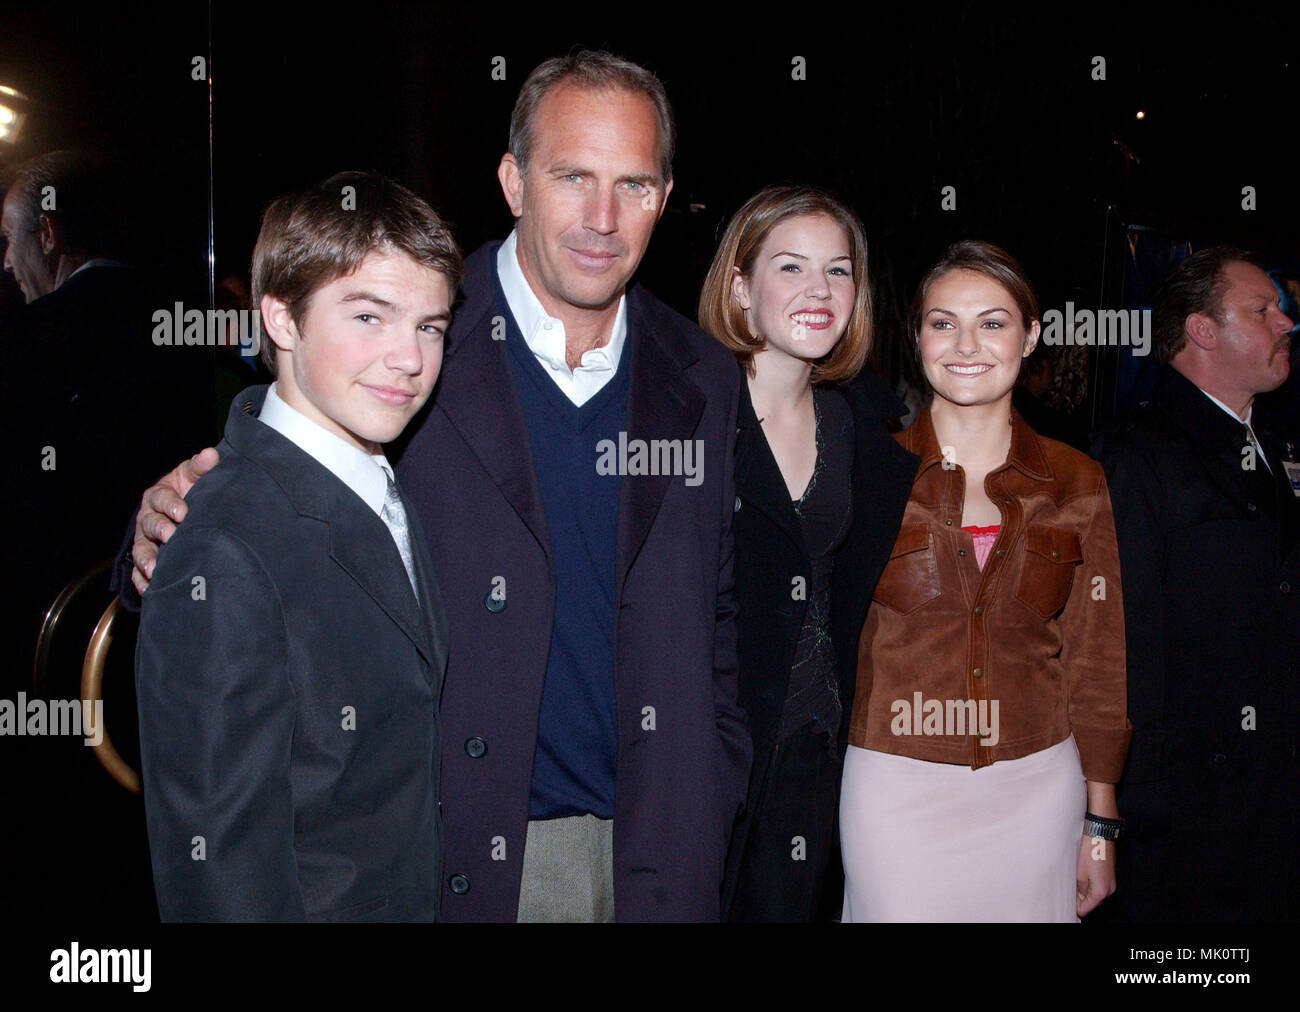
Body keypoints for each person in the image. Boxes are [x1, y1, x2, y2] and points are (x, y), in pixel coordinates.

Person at [120, 51, 751, 922]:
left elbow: (716, 612)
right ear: (514, 181)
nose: (604, 217)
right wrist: (158, 532)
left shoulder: (703, 377)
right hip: (468, 854)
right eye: (573, 176)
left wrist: (713, 788)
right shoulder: (420, 340)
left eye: (634, 184)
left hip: (664, 852)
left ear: (665, 194)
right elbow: (279, 484)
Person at [134, 171, 458, 921]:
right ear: (279, 318)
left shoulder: (380, 474)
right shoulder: (222, 547)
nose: (409, 358)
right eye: (370, 316)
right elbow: (220, 871)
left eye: (430, 326)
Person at [840, 240, 1131, 922]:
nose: (966, 344)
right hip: (894, 783)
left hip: (1037, 784)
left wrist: (1102, 817)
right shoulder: (866, 471)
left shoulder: (1077, 480)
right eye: (943, 322)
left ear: (1030, 336)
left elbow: (1098, 658)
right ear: (916, 338)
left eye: (993, 322)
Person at [698, 185, 915, 921]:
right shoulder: (686, 417)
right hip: (707, 751)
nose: (820, 291)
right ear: (739, 287)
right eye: (790, 268)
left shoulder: (857, 426)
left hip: (816, 748)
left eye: (839, 270)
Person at [1094, 247, 1299, 921]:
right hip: (1189, 821)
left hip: (1269, 798)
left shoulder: (1273, 441)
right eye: (1263, 310)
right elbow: (1121, 644)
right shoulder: (1137, 456)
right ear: (1203, 331)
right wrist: (1129, 810)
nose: (1286, 323)